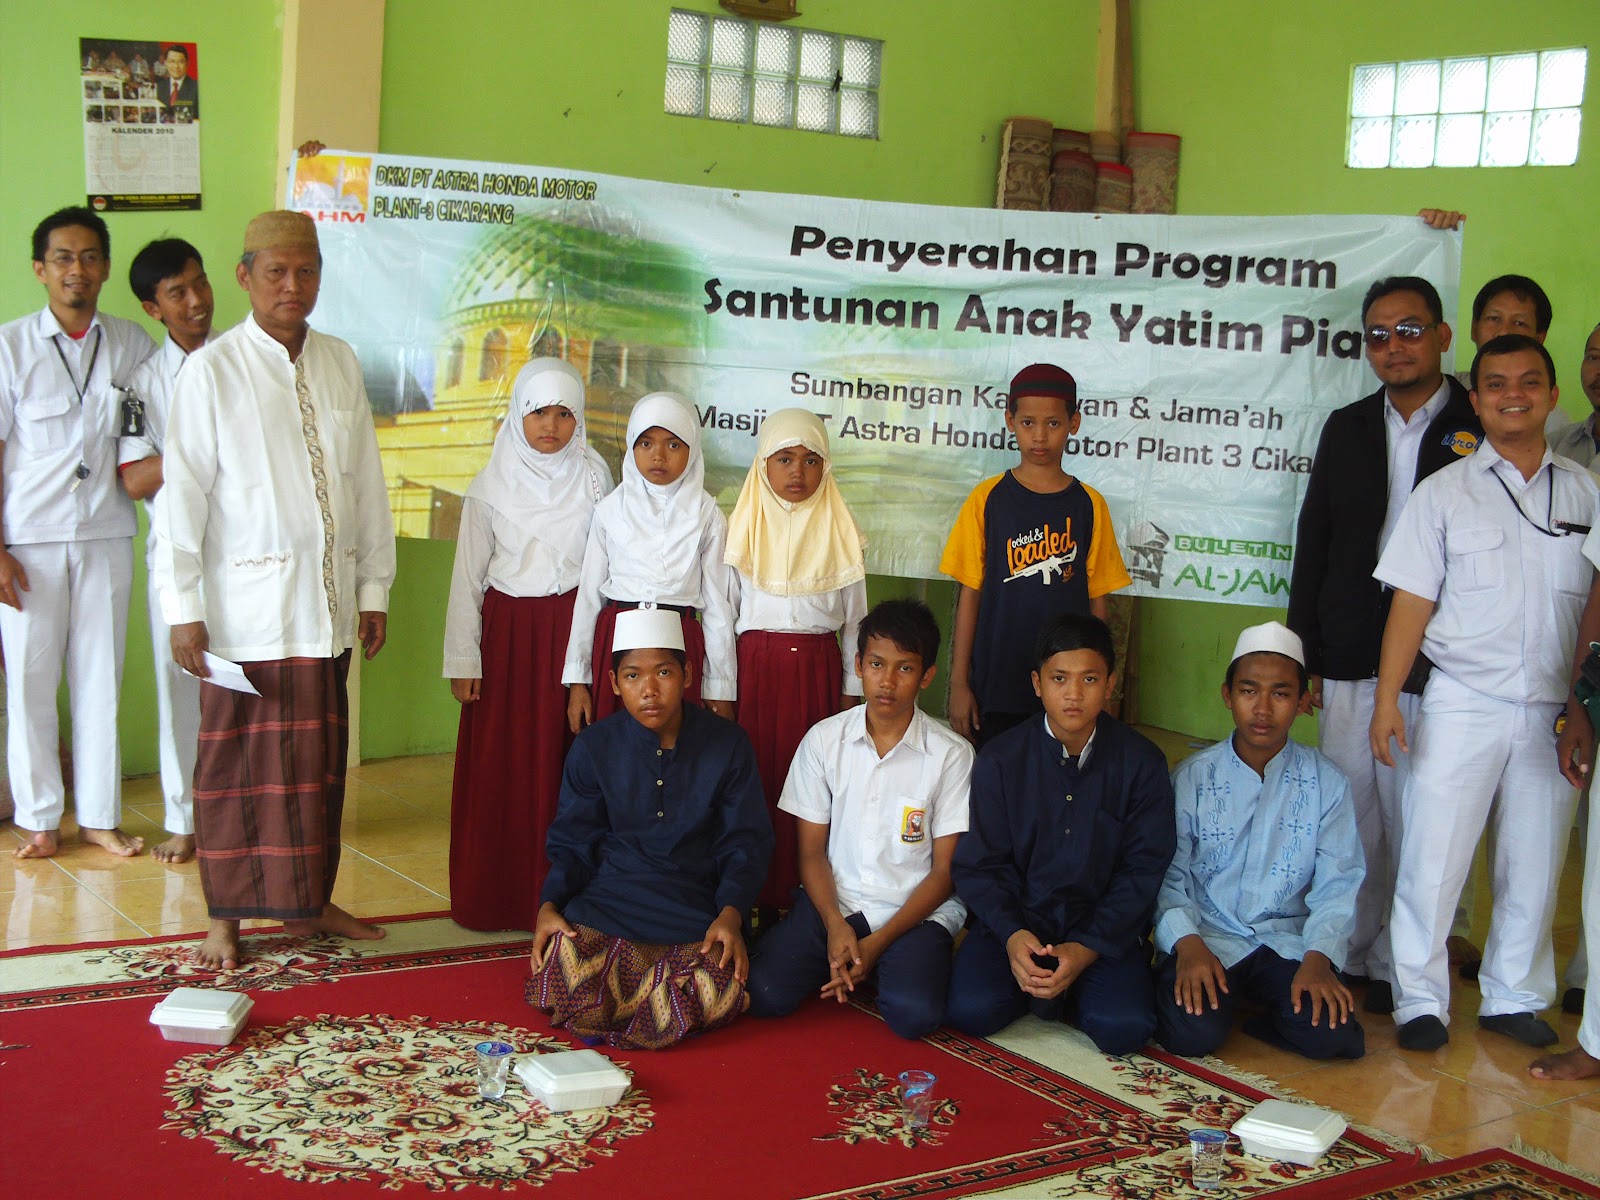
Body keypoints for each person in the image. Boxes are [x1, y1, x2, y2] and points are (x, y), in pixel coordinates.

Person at [158, 210, 396, 970]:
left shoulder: (340, 362)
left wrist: (373, 589)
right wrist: (183, 609)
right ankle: (224, 920)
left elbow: (366, 487)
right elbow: (182, 499)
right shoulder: (212, 370)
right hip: (245, 617)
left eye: (307, 271)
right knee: (236, 776)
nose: (294, 286)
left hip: (323, 612)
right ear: (245, 276)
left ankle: (309, 904)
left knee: (318, 774)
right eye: (276, 272)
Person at [1371, 334, 1597, 1052]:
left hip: (1551, 712)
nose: (1514, 394)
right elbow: (1410, 604)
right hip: (1463, 699)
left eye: (1530, 381)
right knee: (1434, 858)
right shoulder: (1445, 492)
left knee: (1533, 860)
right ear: (1478, 400)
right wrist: (1384, 703)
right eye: (1497, 384)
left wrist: (1583, 707)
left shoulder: (1587, 491)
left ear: (1552, 395)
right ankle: (1419, 999)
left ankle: (1513, 995)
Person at [1287, 274, 1480, 1015]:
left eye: (1408, 330)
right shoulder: (1348, 425)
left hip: (1439, 665)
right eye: (1377, 334)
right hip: (1346, 656)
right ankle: (1356, 956)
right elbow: (1318, 540)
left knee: (1419, 822)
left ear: (1441, 336)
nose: (1393, 346)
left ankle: (1411, 970)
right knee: (1353, 818)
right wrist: (1306, 651)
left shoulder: (1476, 420)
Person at [528, 607, 773, 1049]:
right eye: (633, 676)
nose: (650, 690)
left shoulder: (728, 744)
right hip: (610, 902)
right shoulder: (593, 747)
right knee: (563, 970)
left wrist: (731, 914)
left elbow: (746, 842)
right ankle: (644, 1004)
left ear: (687, 675)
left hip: (694, 909)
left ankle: (642, 1004)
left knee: (719, 988)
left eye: (663, 672)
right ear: (613, 683)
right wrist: (550, 905)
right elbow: (573, 841)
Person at [945, 612, 1175, 1056]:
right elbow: (980, 864)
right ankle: (1048, 989)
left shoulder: (1142, 763)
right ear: (1037, 684)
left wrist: (1087, 947)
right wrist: (1013, 935)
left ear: (1110, 685)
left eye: (1090, 679)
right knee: (971, 1010)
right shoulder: (1000, 759)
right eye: (1059, 679)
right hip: (1017, 930)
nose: (1073, 694)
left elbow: (1144, 868)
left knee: (1123, 1028)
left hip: (1100, 935)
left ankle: (1068, 988)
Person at [0, 206, 155, 860]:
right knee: (31, 685)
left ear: (106, 268)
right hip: (27, 542)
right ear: (40, 269)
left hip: (105, 536)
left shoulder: (131, 344)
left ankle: (98, 815)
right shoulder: (8, 347)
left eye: (90, 257)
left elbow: (154, 425)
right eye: (63, 258)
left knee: (100, 681)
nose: (77, 270)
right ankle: (39, 817)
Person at [746, 598, 972, 1038]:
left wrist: (875, 943)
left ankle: (880, 964)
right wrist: (834, 924)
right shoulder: (824, 740)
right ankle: (853, 962)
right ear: (858, 664)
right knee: (765, 992)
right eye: (876, 664)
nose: (887, 682)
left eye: (905, 668)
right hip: (838, 901)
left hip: (914, 912)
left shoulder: (952, 756)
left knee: (913, 1015)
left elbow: (945, 873)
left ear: (927, 675)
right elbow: (811, 853)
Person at [442, 357, 612, 931]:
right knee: (504, 764)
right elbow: (468, 577)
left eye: (565, 413)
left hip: (574, 630)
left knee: (569, 763)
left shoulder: (595, 478)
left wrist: (588, 663)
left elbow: (601, 570)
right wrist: (464, 657)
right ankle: (495, 895)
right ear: (518, 414)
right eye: (538, 411)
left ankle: (563, 897)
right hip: (507, 637)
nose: (551, 425)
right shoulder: (490, 486)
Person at [1154, 621, 1365, 1061]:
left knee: (1338, 1038)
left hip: (1285, 942)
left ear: (1304, 701)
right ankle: (1225, 1001)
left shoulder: (1327, 783)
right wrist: (1187, 944)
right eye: (1249, 691)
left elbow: (1338, 883)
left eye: (1281, 693)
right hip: (1209, 936)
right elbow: (1167, 874)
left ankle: (1257, 1015)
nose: (1263, 709)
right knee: (1191, 1035)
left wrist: (1319, 956)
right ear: (1228, 695)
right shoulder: (1192, 778)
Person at [941, 362, 1131, 747]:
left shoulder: (1090, 505)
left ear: (1074, 423)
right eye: (1028, 423)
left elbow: (1099, 605)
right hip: (996, 685)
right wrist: (959, 683)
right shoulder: (987, 499)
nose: (1040, 436)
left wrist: (1101, 685)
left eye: (1053, 424)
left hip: (1069, 690)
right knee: (996, 791)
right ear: (1010, 421)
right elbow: (969, 597)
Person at [724, 408, 868, 916]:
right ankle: (749, 899)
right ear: (764, 464)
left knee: (811, 786)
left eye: (810, 460)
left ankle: (800, 901)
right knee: (755, 781)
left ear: (824, 468)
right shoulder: (742, 526)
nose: (797, 473)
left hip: (816, 673)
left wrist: (852, 690)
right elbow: (723, 615)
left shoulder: (841, 528)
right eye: (784, 459)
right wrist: (722, 689)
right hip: (756, 669)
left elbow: (855, 624)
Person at [118, 238, 216, 864]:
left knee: (251, 688)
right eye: (177, 293)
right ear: (153, 309)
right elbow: (134, 478)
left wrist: (176, 457)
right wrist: (203, 446)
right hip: (176, 557)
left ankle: (248, 814)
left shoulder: (246, 358)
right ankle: (184, 820)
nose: (197, 301)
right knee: (179, 687)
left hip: (249, 554)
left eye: (199, 283)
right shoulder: (142, 385)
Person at [563, 392, 737, 729]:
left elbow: (718, 607)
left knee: (677, 751)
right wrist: (578, 681)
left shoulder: (707, 514)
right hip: (617, 640)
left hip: (680, 641)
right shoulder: (610, 511)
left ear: (692, 449)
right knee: (619, 754)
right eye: (646, 443)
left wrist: (720, 689)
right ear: (631, 447)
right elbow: (587, 600)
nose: (658, 456)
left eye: (673, 445)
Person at [160, 45, 197, 120]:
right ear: (166, 63)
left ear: (187, 63)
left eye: (180, 62)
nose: (176, 66)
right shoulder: (159, 86)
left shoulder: (197, 87)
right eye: (171, 61)